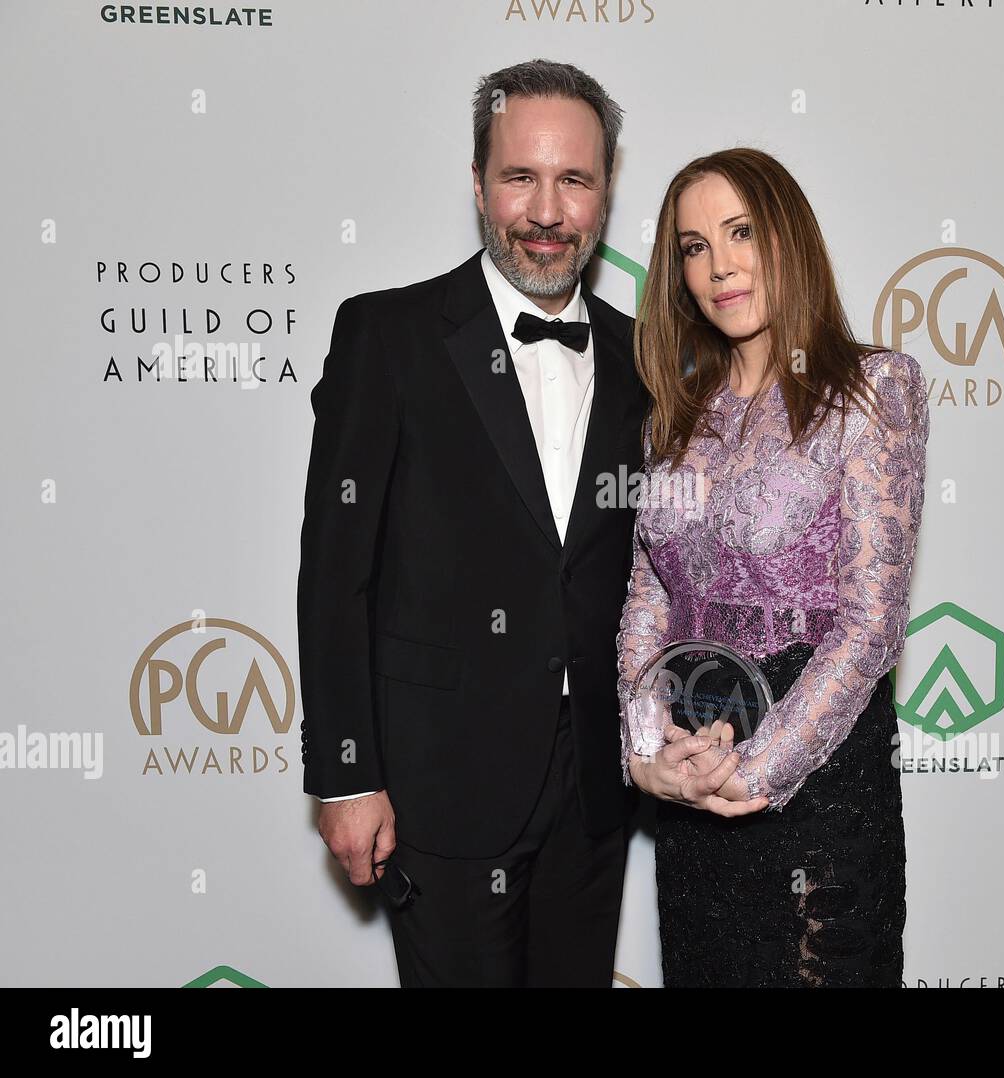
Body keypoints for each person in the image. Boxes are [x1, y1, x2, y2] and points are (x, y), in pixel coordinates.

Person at [296, 58, 698, 987]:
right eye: (521, 177)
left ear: (605, 194)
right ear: (478, 184)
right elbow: (335, 573)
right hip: (439, 784)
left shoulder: (652, 362)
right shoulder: (387, 337)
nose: (548, 212)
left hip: (596, 788)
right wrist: (347, 777)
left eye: (575, 180)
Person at [617, 147, 931, 987]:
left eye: (740, 232)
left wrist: (755, 771)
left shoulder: (873, 389)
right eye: (692, 246)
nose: (718, 266)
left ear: (787, 236)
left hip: (816, 793)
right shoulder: (675, 416)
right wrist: (647, 749)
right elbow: (650, 590)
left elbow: (871, 624)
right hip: (693, 783)